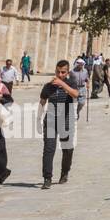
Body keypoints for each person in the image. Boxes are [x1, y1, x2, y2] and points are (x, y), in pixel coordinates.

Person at [40, 60, 79, 189]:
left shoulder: (71, 83)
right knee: (48, 149)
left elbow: (75, 94)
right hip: (50, 121)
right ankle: (47, 177)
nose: (60, 74)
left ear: (67, 72)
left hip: (66, 121)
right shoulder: (48, 86)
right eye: (58, 72)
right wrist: (39, 117)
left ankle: (65, 172)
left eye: (63, 72)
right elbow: (42, 101)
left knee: (67, 149)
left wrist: (63, 84)